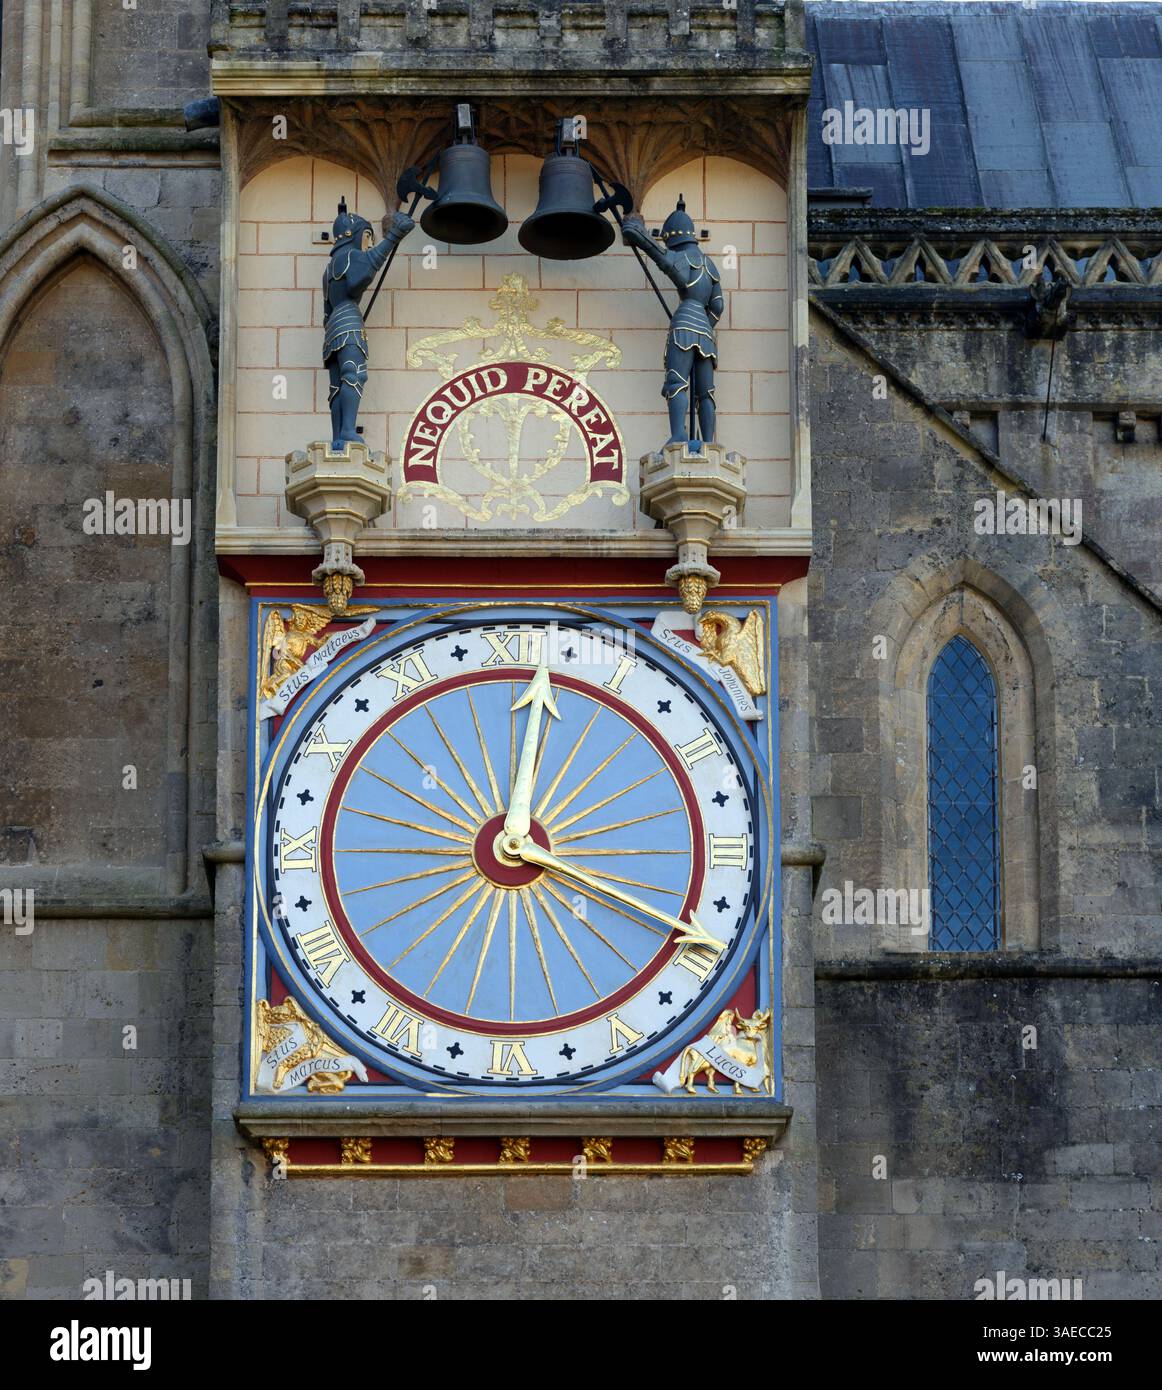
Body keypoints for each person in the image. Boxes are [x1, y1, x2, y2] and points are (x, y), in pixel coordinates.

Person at [620, 196, 723, 447]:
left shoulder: (684, 257)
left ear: (673, 237)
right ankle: (709, 442)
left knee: (677, 382)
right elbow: (718, 306)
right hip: (706, 332)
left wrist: (643, 240)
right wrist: (704, 324)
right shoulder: (710, 265)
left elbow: (676, 272)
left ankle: (678, 435)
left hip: (685, 321)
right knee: (705, 392)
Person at [322, 199, 414, 451]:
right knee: (354, 374)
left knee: (338, 383)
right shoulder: (350, 256)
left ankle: (339, 437)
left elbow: (325, 312)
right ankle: (348, 431)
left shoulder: (329, 268)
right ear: (358, 236)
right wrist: (395, 235)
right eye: (368, 237)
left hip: (333, 327)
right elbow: (364, 271)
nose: (369, 244)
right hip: (349, 319)